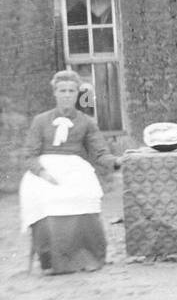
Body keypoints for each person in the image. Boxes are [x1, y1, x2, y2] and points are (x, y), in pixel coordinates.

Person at [18, 69, 121, 274]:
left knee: (86, 194)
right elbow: (29, 154)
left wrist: (117, 161)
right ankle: (51, 261)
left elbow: (100, 153)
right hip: (44, 169)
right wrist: (43, 173)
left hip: (75, 169)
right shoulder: (41, 121)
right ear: (55, 93)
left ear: (77, 94)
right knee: (45, 198)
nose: (66, 95)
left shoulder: (86, 122)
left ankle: (87, 258)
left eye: (71, 91)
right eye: (62, 90)